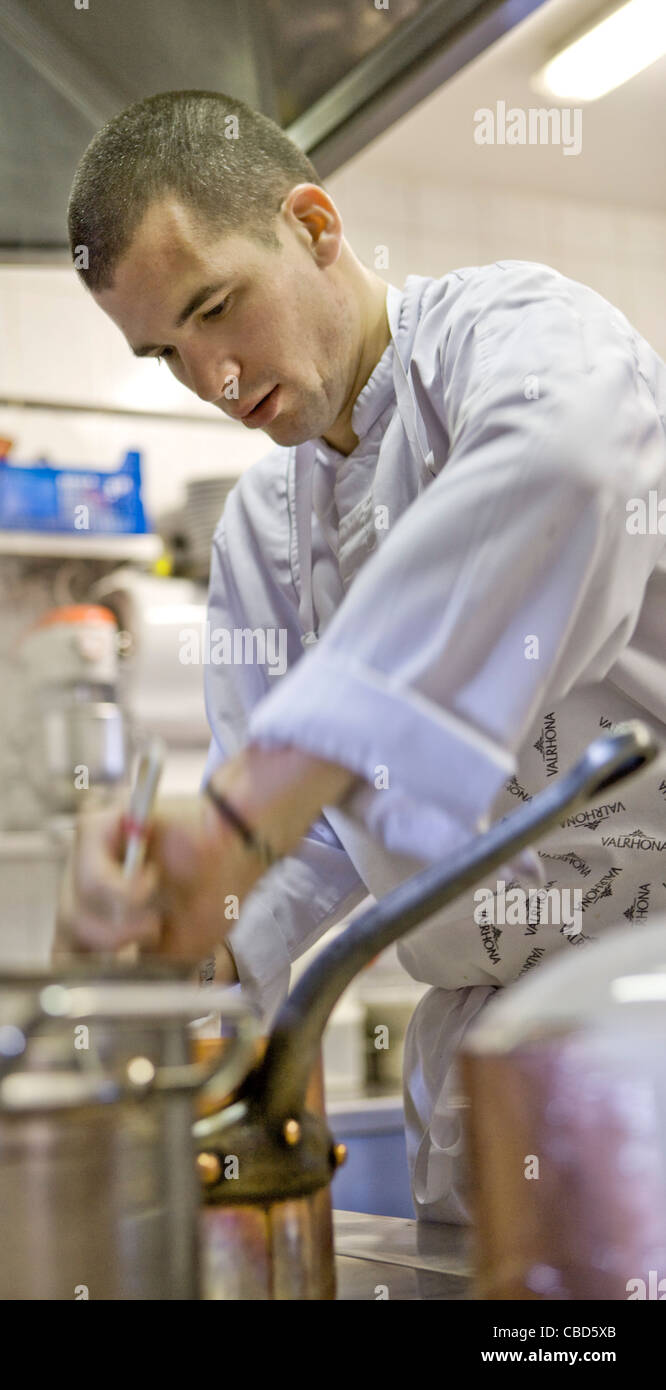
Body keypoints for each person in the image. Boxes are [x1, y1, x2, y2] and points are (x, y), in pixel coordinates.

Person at [55, 89, 666, 1224]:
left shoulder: (520, 334)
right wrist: (178, 930)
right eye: (166, 355)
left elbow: (567, 466)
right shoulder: (262, 534)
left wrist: (250, 804)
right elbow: (314, 830)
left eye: (217, 308)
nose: (215, 384)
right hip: (478, 1061)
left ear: (315, 226)